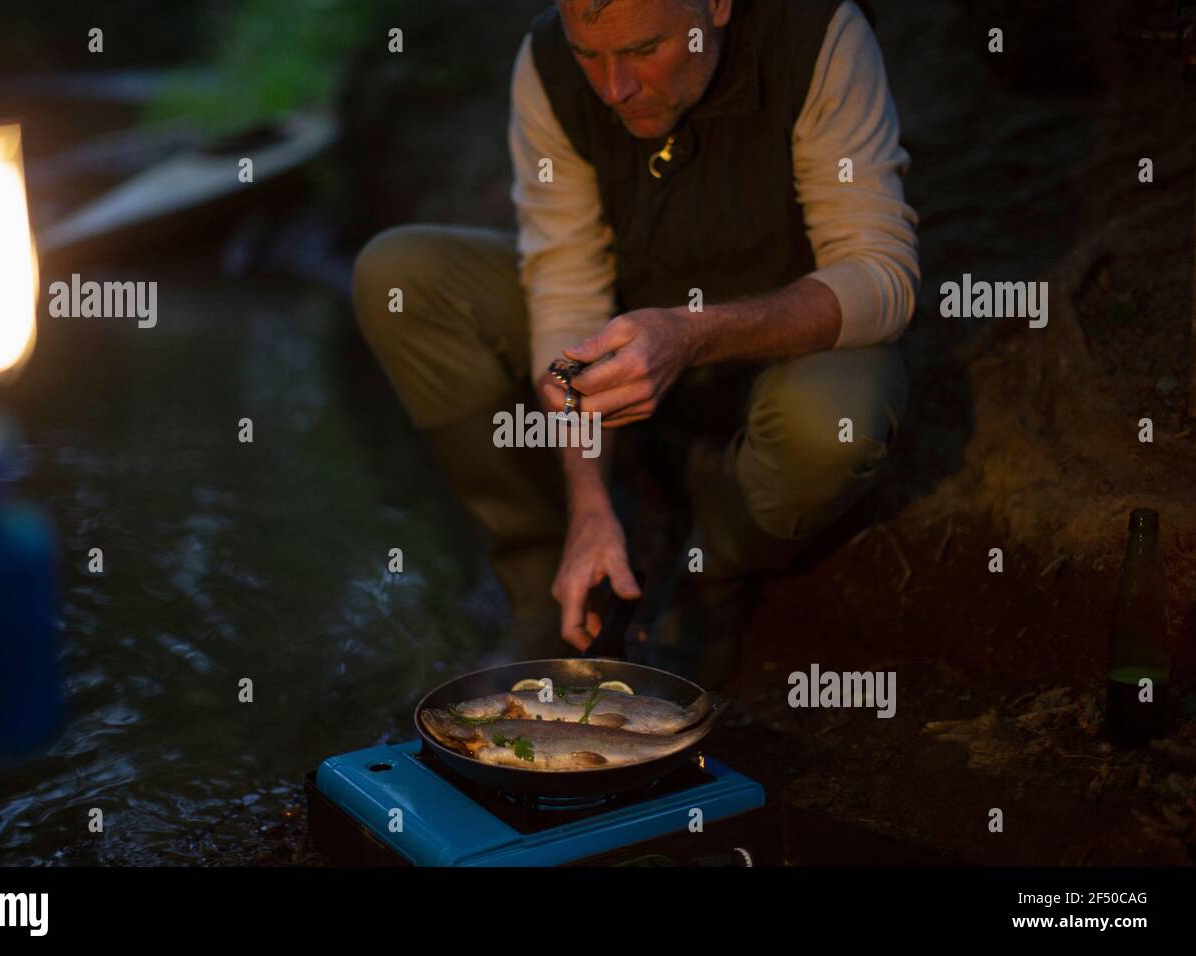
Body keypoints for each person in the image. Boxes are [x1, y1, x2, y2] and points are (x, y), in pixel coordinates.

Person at [352, 0, 917, 688]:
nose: (614, 88)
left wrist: (695, 333)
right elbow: (566, 293)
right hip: (627, 333)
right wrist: (588, 502)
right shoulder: (546, 63)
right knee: (400, 276)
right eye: (591, 55)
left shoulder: (817, 37)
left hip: (779, 347)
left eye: (645, 51)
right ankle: (550, 584)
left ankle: (709, 577)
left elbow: (883, 275)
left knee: (834, 427)